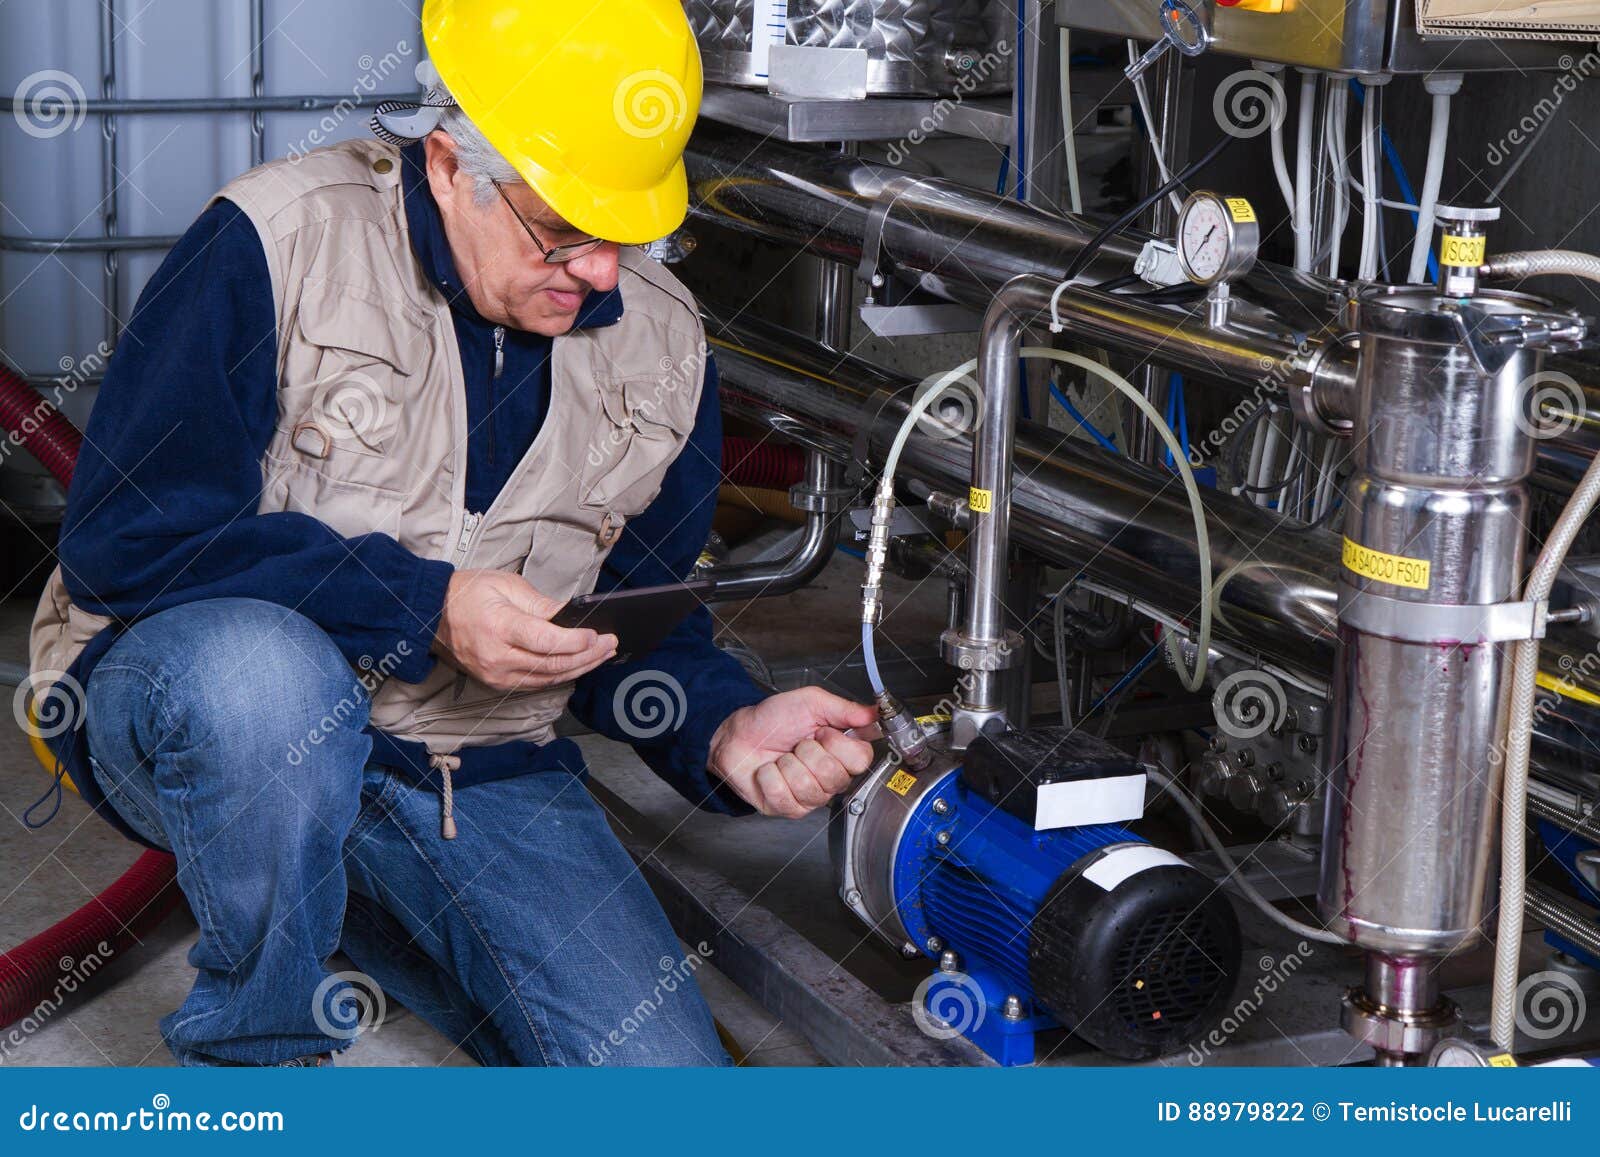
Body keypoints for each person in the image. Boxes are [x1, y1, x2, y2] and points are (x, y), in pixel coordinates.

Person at [28, 0, 875, 1067]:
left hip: (469, 754)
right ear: (447, 165)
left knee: (661, 1085)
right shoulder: (276, 240)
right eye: (562, 229)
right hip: (208, 708)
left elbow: (631, 616)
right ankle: (255, 1049)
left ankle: (356, 895)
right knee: (261, 677)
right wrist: (425, 604)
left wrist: (720, 723)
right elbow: (132, 539)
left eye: (630, 232)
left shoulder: (663, 340)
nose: (604, 271)